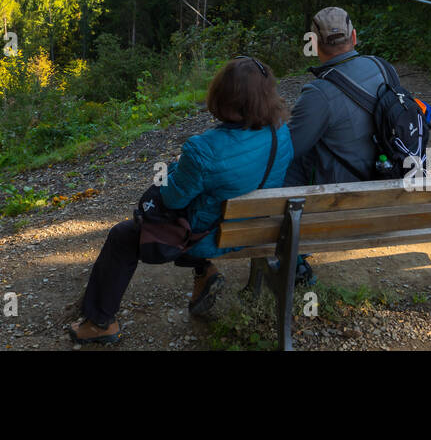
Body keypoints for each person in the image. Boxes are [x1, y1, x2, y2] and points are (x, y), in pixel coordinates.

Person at [70, 56, 294, 345]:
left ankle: (100, 323)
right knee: (206, 205)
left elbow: (173, 199)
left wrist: (175, 168)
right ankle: (204, 272)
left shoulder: (203, 149)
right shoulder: (281, 132)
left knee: (123, 235)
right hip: (256, 228)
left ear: (222, 96)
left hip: (214, 235)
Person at [283, 6, 407, 285]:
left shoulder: (319, 93)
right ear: (354, 36)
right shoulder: (383, 67)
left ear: (313, 44)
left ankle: (294, 258)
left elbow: (289, 148)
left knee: (281, 165)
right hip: (390, 182)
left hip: (344, 201)